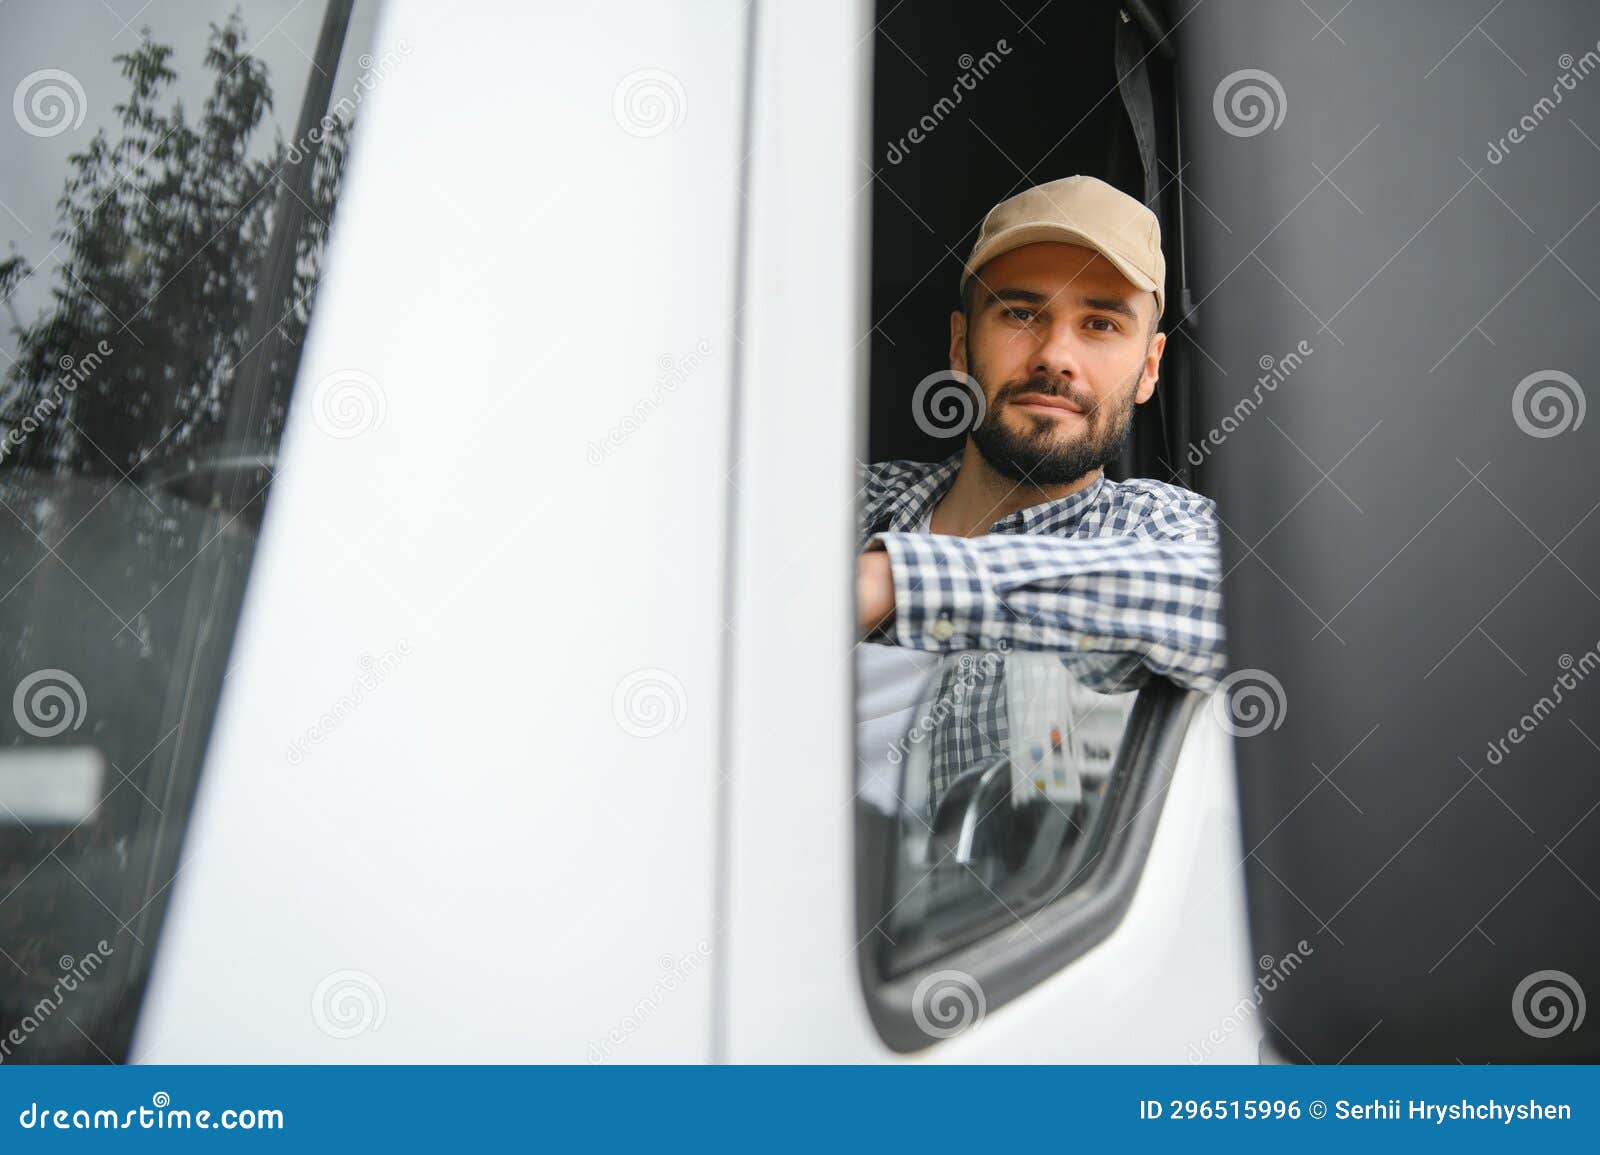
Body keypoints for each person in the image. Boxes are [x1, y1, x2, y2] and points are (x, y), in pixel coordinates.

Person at [853, 175, 1226, 814]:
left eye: (1102, 323)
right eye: (1022, 314)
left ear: (1150, 367)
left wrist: (898, 580)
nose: (1056, 356)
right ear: (961, 346)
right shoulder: (851, 501)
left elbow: (1234, 602)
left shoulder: (1158, 530)